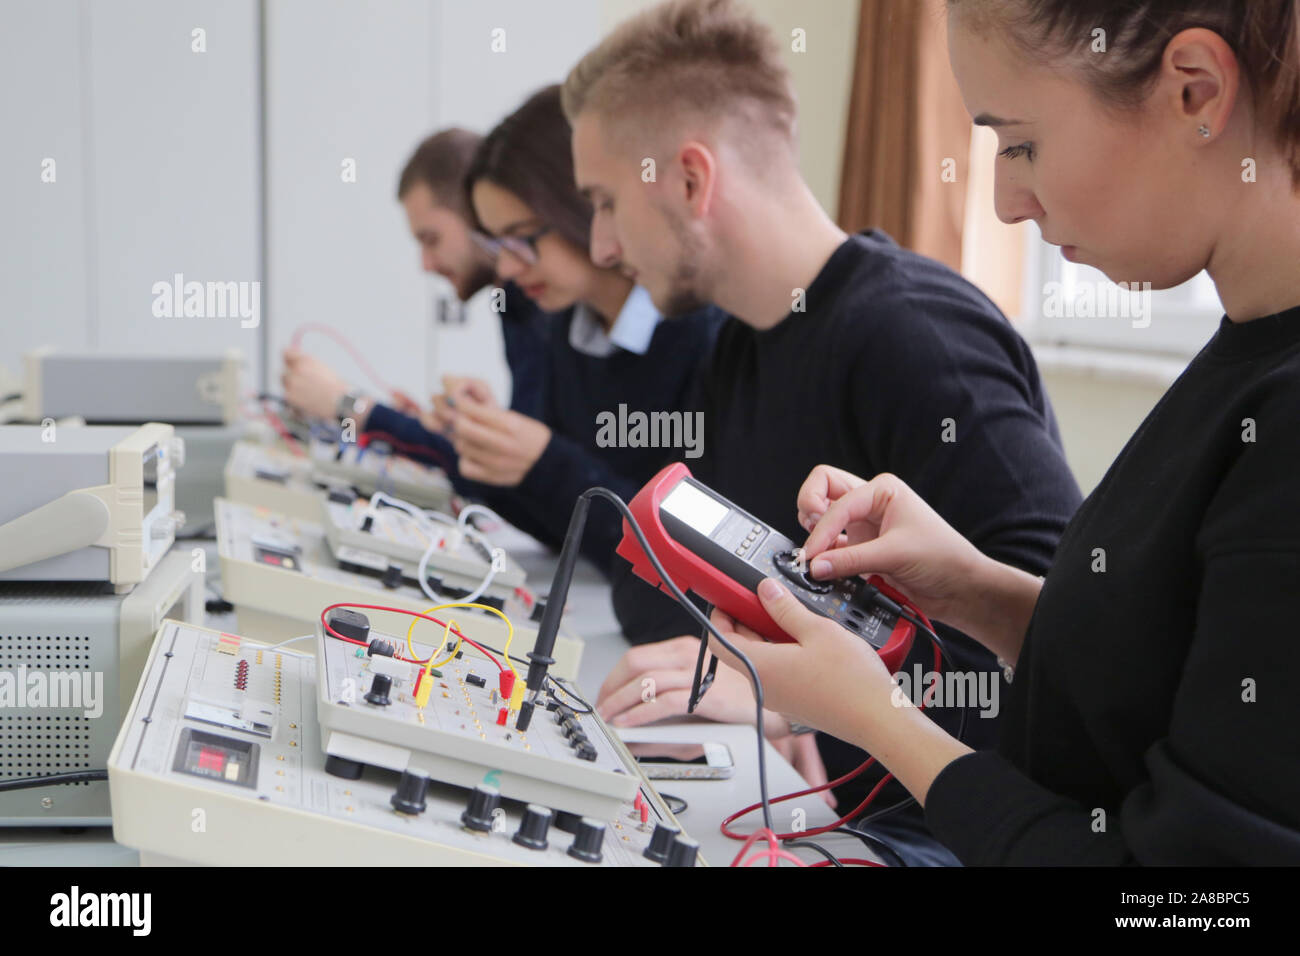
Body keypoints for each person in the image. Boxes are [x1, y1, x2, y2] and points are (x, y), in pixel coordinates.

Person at [704, 0, 1300, 864]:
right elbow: (1167, 689)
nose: (1006, 203)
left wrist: (879, 719)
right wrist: (977, 591)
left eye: (1020, 143)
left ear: (1195, 91)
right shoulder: (1245, 352)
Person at [564, 0, 1081, 864]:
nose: (601, 244)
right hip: (855, 806)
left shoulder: (916, 338)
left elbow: (1069, 674)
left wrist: (794, 704)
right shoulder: (743, 345)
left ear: (691, 180)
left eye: (605, 202)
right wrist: (781, 703)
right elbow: (680, 585)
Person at [281, 127, 553, 441]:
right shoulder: (515, 304)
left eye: (431, 239)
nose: (425, 264)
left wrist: (348, 406)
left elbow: (521, 476)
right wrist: (470, 426)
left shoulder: (540, 303)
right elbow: (522, 465)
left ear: (479, 217)